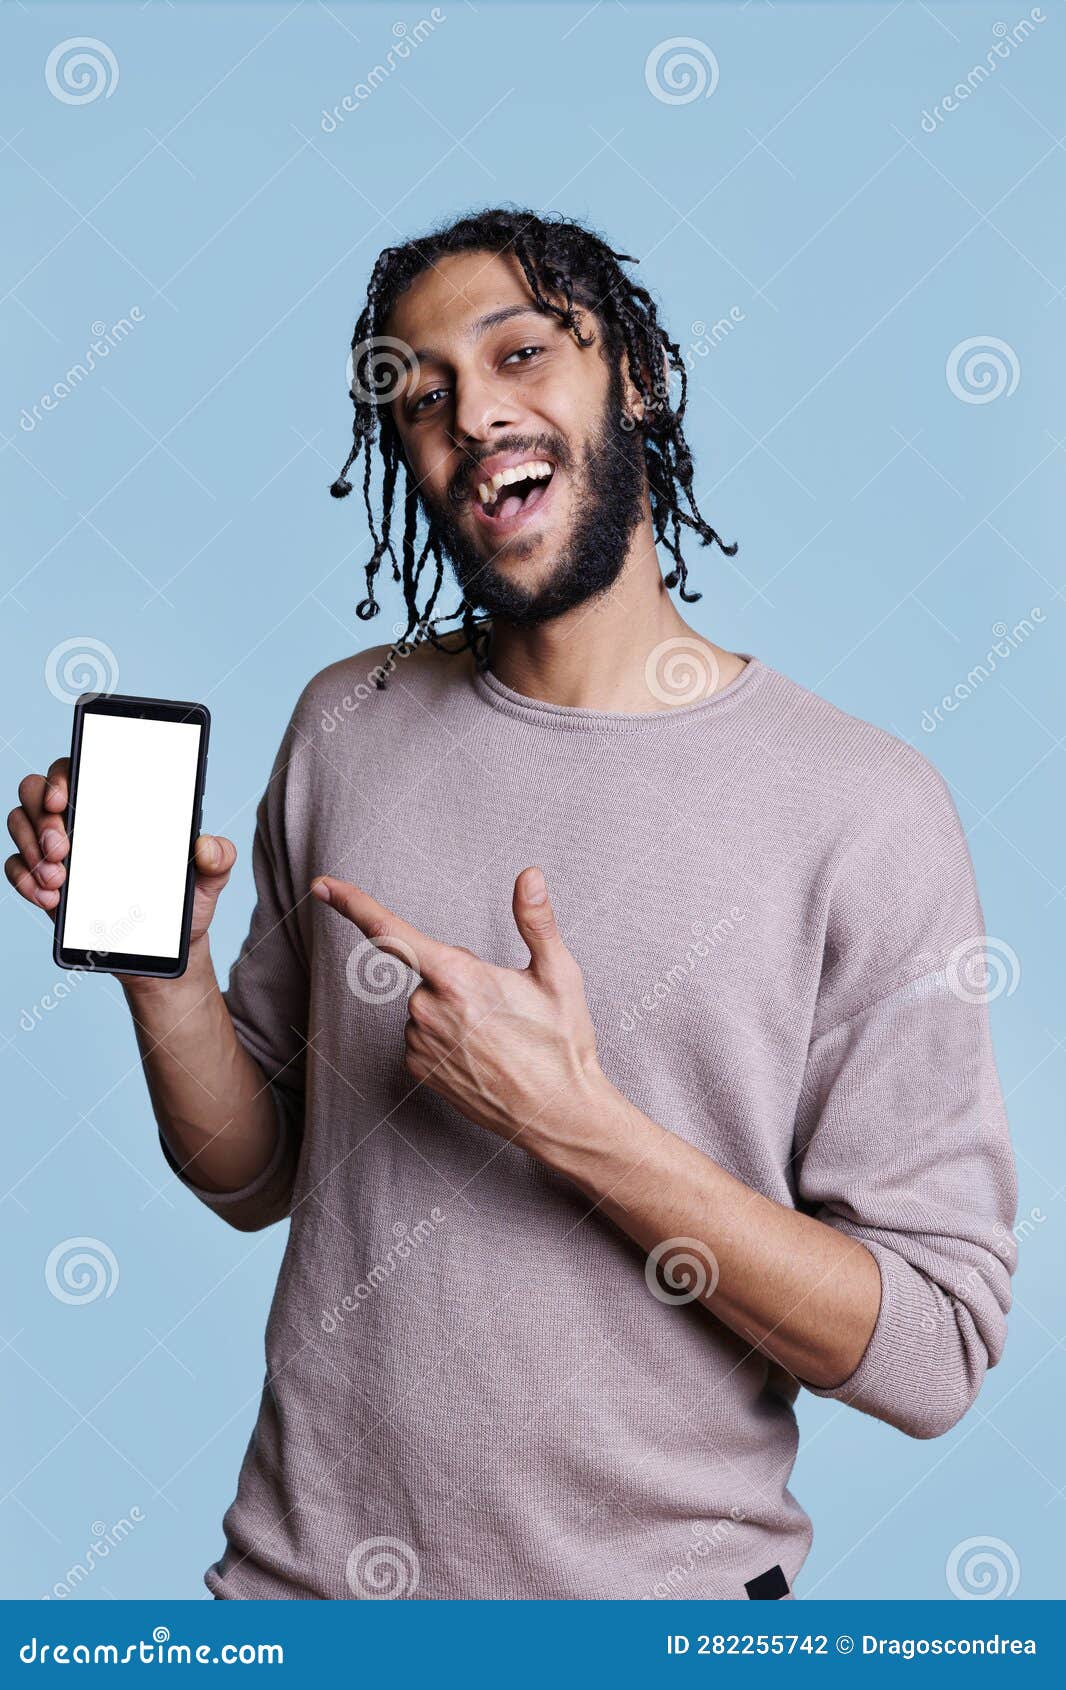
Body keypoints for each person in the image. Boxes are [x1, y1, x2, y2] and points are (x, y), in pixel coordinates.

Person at [7, 208, 1017, 1602]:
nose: (473, 412)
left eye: (521, 352)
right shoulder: (346, 719)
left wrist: (574, 1122)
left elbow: (930, 1352)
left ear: (639, 377)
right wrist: (165, 973)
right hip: (298, 1603)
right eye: (419, 396)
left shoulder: (864, 809)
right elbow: (252, 1174)